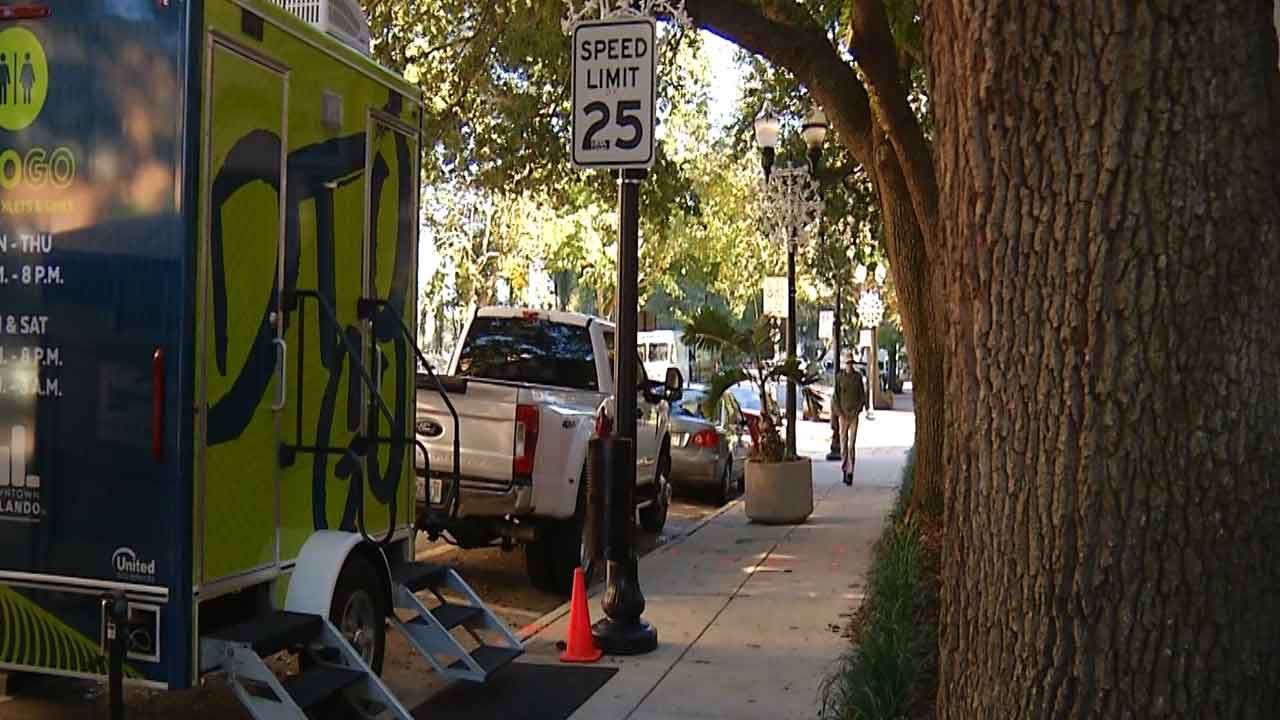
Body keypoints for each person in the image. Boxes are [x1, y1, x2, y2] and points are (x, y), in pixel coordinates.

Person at [832, 353, 867, 485]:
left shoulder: (857, 377)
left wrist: (858, 409)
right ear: (844, 364)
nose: (849, 365)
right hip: (843, 416)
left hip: (853, 416)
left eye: (851, 363)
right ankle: (844, 468)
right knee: (843, 445)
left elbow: (862, 396)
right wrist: (840, 413)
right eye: (847, 363)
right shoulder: (839, 378)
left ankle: (851, 472)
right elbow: (835, 397)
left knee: (851, 445)